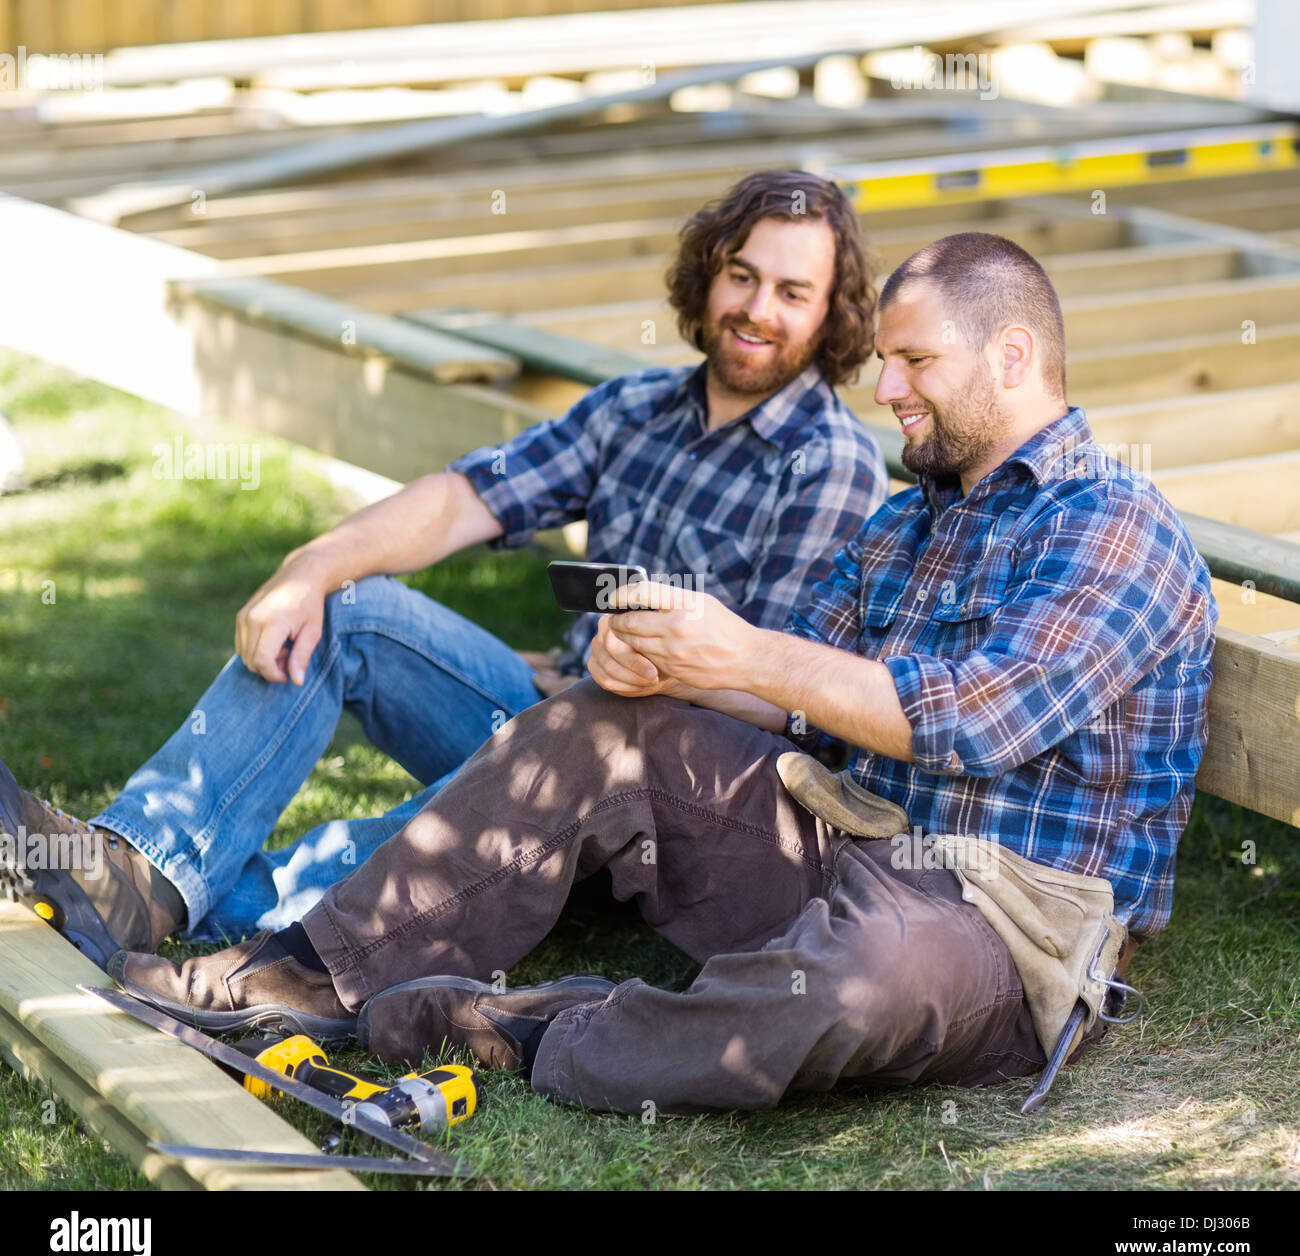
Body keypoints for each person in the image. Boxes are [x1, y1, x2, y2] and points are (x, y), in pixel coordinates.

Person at [89, 231, 1221, 1116]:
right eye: (885, 365)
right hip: (851, 831)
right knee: (602, 722)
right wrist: (678, 662)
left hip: (1006, 918)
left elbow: (974, 717)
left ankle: (533, 1028)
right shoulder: (907, 520)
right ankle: (294, 980)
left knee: (858, 981)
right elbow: (793, 699)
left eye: (915, 362)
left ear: (1012, 356)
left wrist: (745, 650)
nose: (889, 390)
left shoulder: (1114, 527)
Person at [0, 170, 889, 967]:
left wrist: (656, 675)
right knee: (353, 607)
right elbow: (464, 498)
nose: (758, 306)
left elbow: (786, 701)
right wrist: (309, 566)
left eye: (792, 291)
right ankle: (140, 865)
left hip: (659, 799)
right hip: (563, 708)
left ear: (831, 316)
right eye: (742, 273)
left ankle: (184, 898)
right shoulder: (637, 408)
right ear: (708, 275)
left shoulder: (828, 462)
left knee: (527, 761)